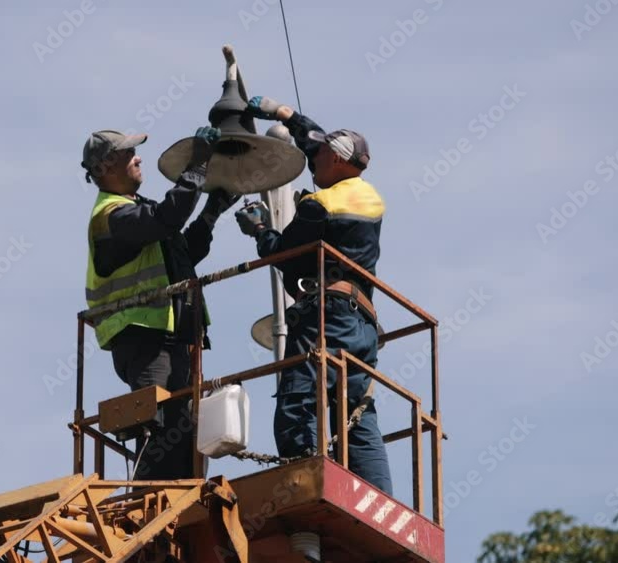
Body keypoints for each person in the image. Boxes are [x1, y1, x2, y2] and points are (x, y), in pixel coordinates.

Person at [235, 96, 393, 495]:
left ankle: (302, 481)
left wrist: (258, 229)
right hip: (363, 322)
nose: (312, 160)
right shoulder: (366, 193)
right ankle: (381, 499)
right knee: (357, 411)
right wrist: (283, 113)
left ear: (338, 161)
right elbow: (317, 143)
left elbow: (286, 257)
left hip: (328, 316)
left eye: (321, 155)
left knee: (298, 397)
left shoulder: (321, 205)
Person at [82, 127, 240, 480]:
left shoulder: (137, 212)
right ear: (106, 166)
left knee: (185, 432)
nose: (138, 158)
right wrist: (197, 166)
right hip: (144, 337)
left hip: (173, 335)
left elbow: (183, 254)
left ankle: (179, 507)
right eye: (128, 154)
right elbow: (168, 218)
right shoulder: (111, 217)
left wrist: (212, 211)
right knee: (160, 427)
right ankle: (150, 507)